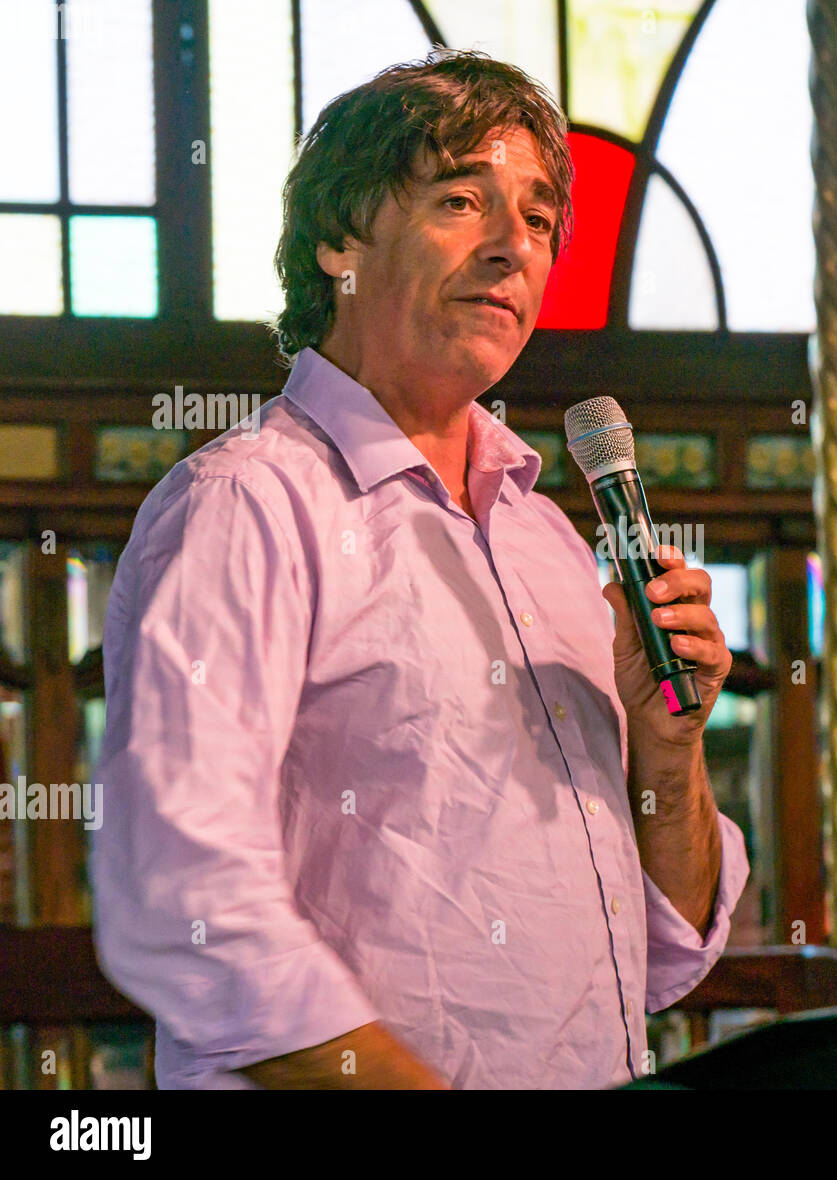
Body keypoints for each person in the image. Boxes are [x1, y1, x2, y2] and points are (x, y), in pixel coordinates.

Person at [90, 49, 749, 1090]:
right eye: (460, 199)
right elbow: (189, 904)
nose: (512, 249)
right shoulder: (248, 506)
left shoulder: (550, 541)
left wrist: (668, 756)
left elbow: (665, 954)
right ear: (337, 241)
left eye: (537, 221)